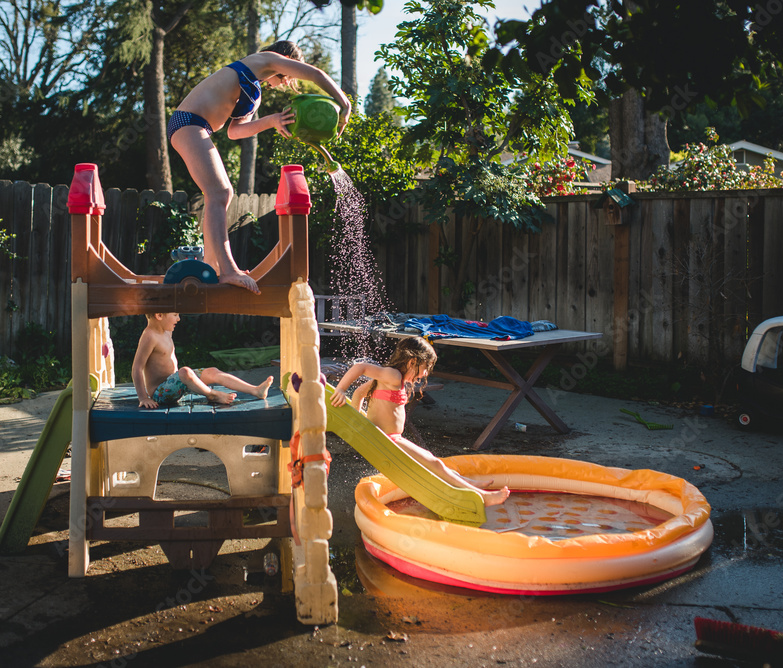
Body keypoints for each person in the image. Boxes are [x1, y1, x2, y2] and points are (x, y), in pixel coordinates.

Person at [169, 40, 352, 294]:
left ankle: (211, 266)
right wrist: (344, 104)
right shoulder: (264, 59)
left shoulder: (254, 92)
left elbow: (235, 131)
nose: (289, 80)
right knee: (219, 193)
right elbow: (315, 74)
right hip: (189, 122)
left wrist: (273, 120)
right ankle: (228, 270)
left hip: (198, 127)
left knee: (224, 193)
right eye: (290, 73)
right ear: (285, 60)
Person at [330, 336, 510, 506]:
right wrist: (340, 389)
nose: (424, 375)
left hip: (392, 438)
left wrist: (357, 418)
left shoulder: (390, 378)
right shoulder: (393, 376)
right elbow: (360, 367)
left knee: (432, 461)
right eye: (425, 368)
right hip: (388, 441)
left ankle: (469, 483)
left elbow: (359, 393)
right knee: (435, 464)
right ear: (412, 362)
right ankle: (484, 497)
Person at [132, 312, 273, 408]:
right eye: (175, 314)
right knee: (185, 372)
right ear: (159, 315)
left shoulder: (166, 330)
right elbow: (137, 367)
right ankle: (212, 395)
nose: (178, 318)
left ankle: (256, 390)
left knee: (212, 371)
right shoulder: (149, 336)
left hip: (179, 385)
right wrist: (143, 398)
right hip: (161, 393)